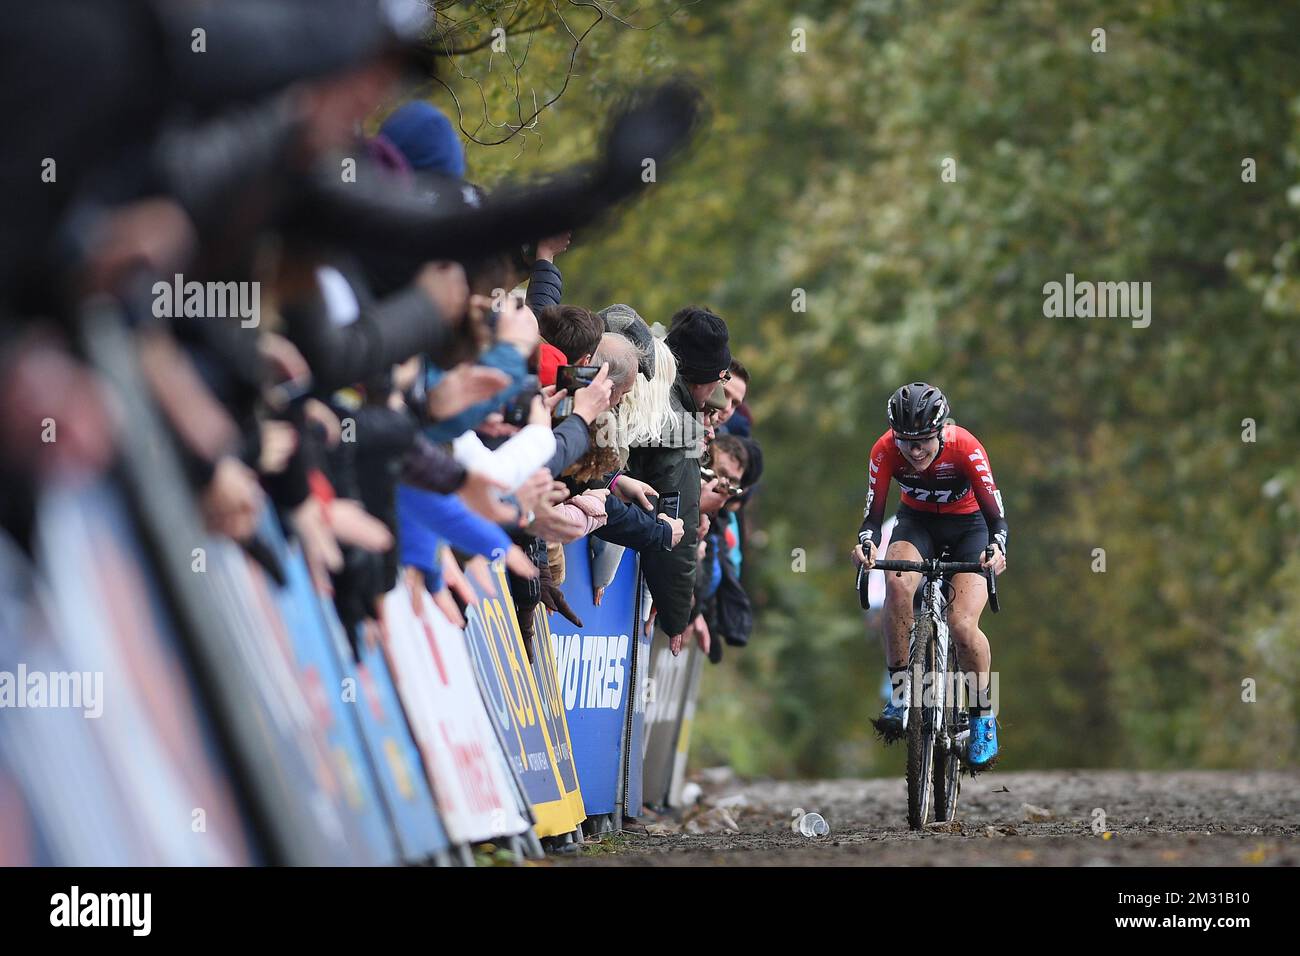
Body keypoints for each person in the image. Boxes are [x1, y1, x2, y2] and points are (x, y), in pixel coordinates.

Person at [850, 382, 1008, 769]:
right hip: (916, 524)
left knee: (962, 624)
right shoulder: (884, 450)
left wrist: (997, 549)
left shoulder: (965, 447)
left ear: (940, 431)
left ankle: (982, 716)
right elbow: (872, 518)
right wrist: (866, 545)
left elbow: (996, 518)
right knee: (896, 583)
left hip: (970, 528)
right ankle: (902, 692)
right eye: (906, 441)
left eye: (922, 441)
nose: (914, 450)